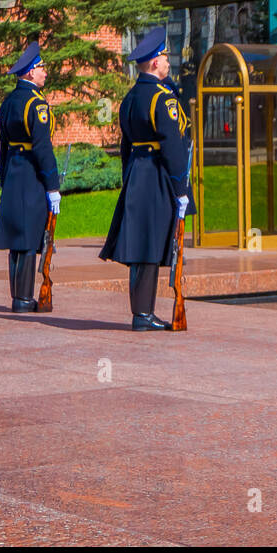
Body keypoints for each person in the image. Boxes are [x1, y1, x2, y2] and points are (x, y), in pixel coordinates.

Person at [99, 27, 194, 330]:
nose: (167, 61)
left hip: (137, 173)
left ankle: (141, 312)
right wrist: (181, 189)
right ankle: (143, 315)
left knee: (141, 244)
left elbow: (126, 146)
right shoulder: (162, 99)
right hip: (156, 175)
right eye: (164, 56)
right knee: (150, 245)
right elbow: (173, 147)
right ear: (154, 62)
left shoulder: (130, 98)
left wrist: (129, 175)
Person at [0, 41, 61, 312]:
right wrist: (52, 185)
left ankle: (18, 296)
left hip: (14, 172)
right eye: (42, 67)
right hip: (32, 174)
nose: (45, 72)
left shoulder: (9, 101)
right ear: (31, 71)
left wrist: (6, 177)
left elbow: (4, 144)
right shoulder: (37, 103)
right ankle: (23, 299)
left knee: (17, 240)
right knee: (30, 237)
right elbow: (42, 147)